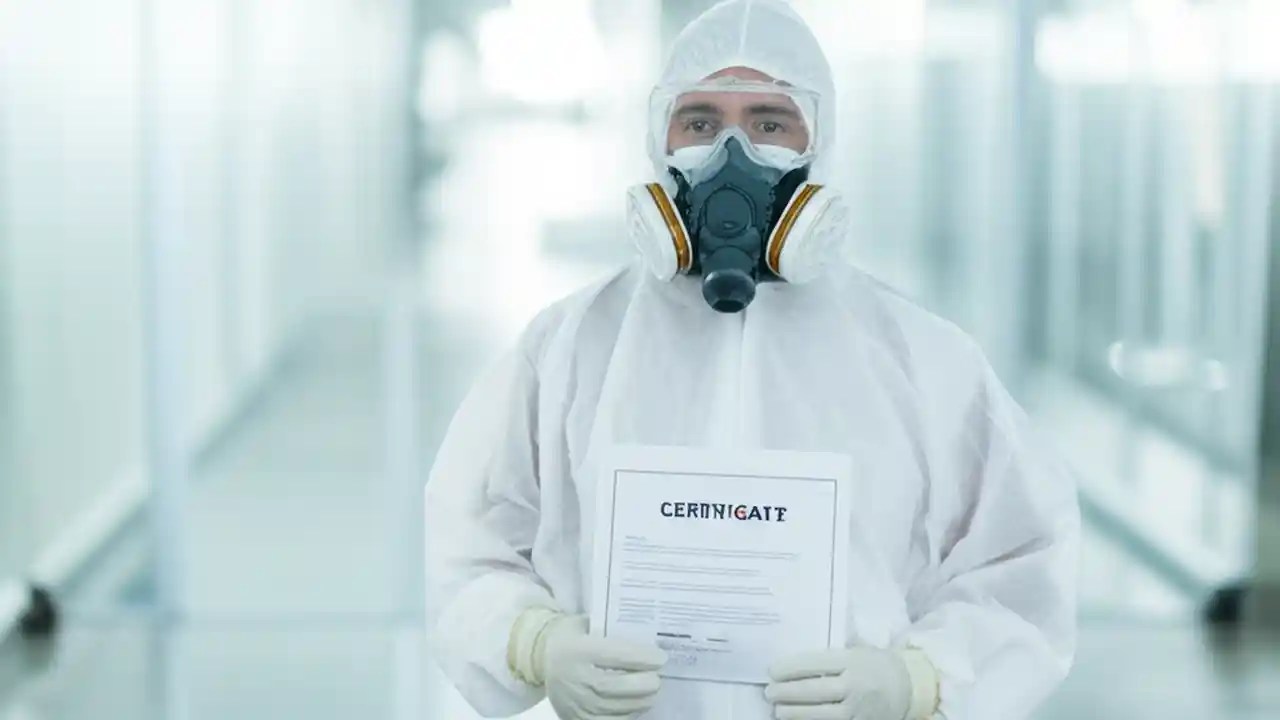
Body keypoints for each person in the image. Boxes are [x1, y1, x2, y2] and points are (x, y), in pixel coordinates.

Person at [424, 1, 1079, 718]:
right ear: (659, 141)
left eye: (770, 125)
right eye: (700, 124)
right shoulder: (568, 350)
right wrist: (534, 643)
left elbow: (1023, 564)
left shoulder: (925, 361)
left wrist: (917, 682)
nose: (730, 157)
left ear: (819, 143)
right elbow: (469, 544)